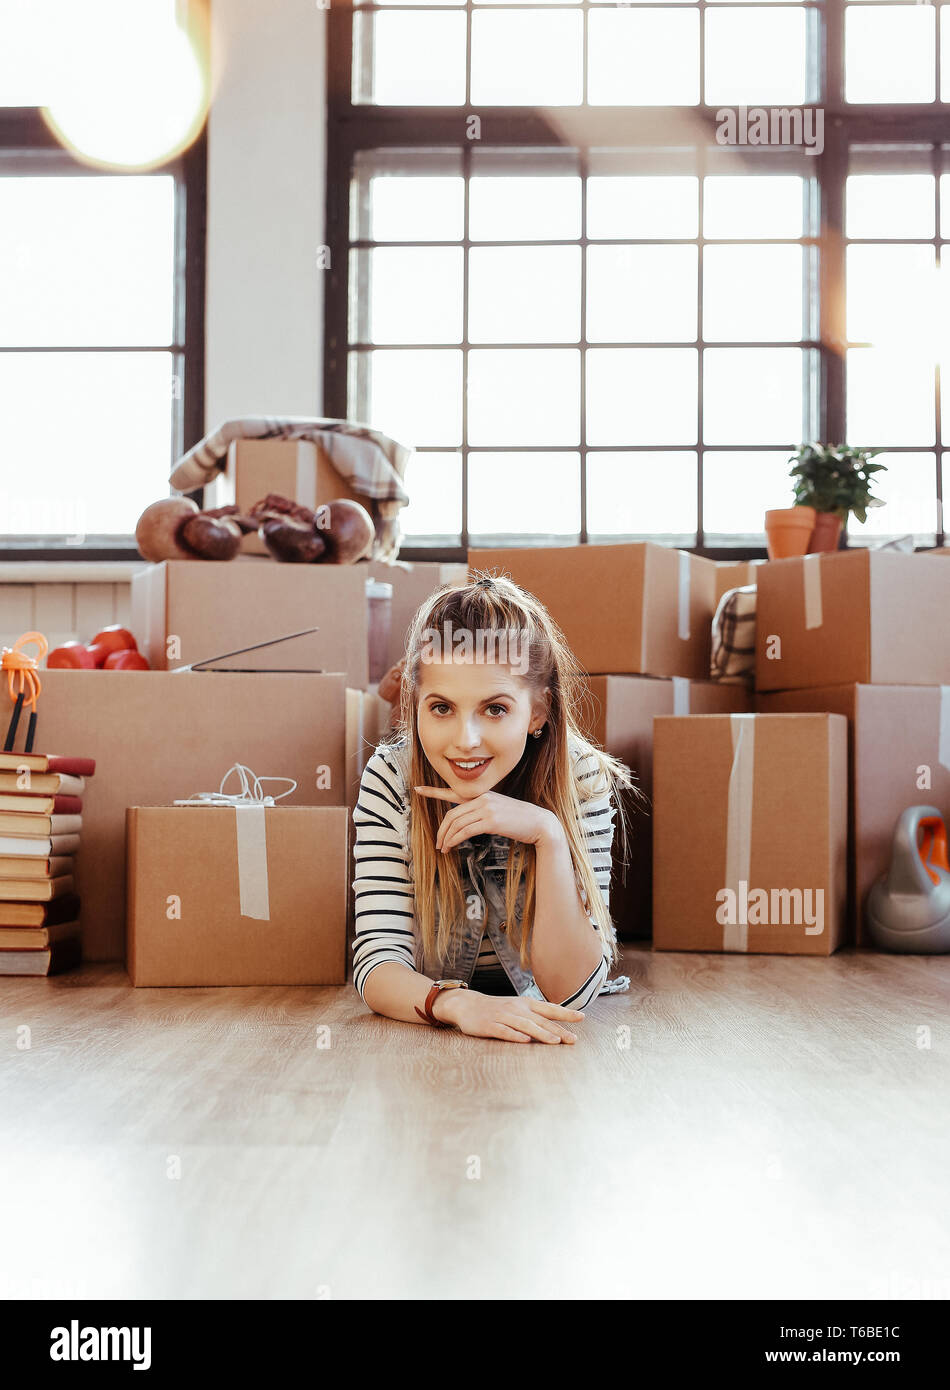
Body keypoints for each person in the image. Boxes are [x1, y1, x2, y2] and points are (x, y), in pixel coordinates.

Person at [351, 572, 640, 1045]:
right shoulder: (391, 779)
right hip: (429, 1022)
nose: (465, 741)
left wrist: (547, 835)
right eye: (441, 708)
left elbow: (572, 995)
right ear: (415, 705)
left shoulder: (581, 778)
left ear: (539, 712)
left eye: (495, 709)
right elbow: (377, 963)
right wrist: (457, 1004)